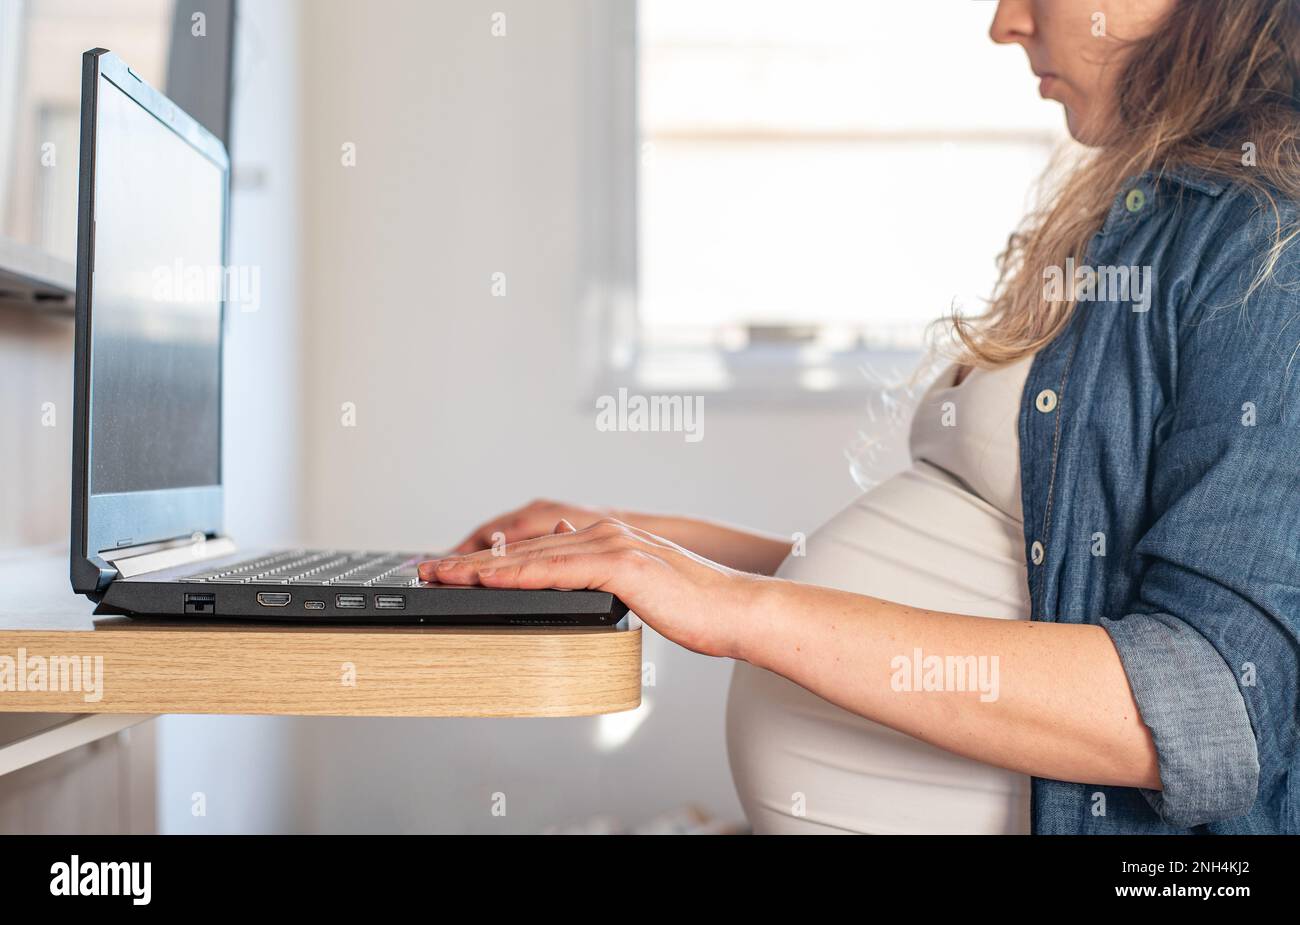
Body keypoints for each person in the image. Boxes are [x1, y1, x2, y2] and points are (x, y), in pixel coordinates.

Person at [420, 0, 1300, 834]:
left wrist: (737, 608)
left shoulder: (1265, 245)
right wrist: (648, 548)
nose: (1006, 23)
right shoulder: (1146, 216)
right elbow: (1025, 582)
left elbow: (1212, 707)